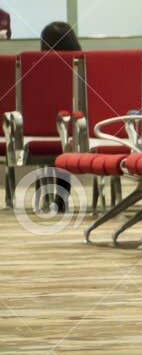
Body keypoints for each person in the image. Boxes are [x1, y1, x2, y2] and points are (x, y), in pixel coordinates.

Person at [36, 20, 82, 213]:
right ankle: (62, 198)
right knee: (66, 142)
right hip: (75, 129)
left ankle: (45, 197)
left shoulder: (34, 67)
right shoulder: (83, 65)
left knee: (62, 139)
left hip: (38, 131)